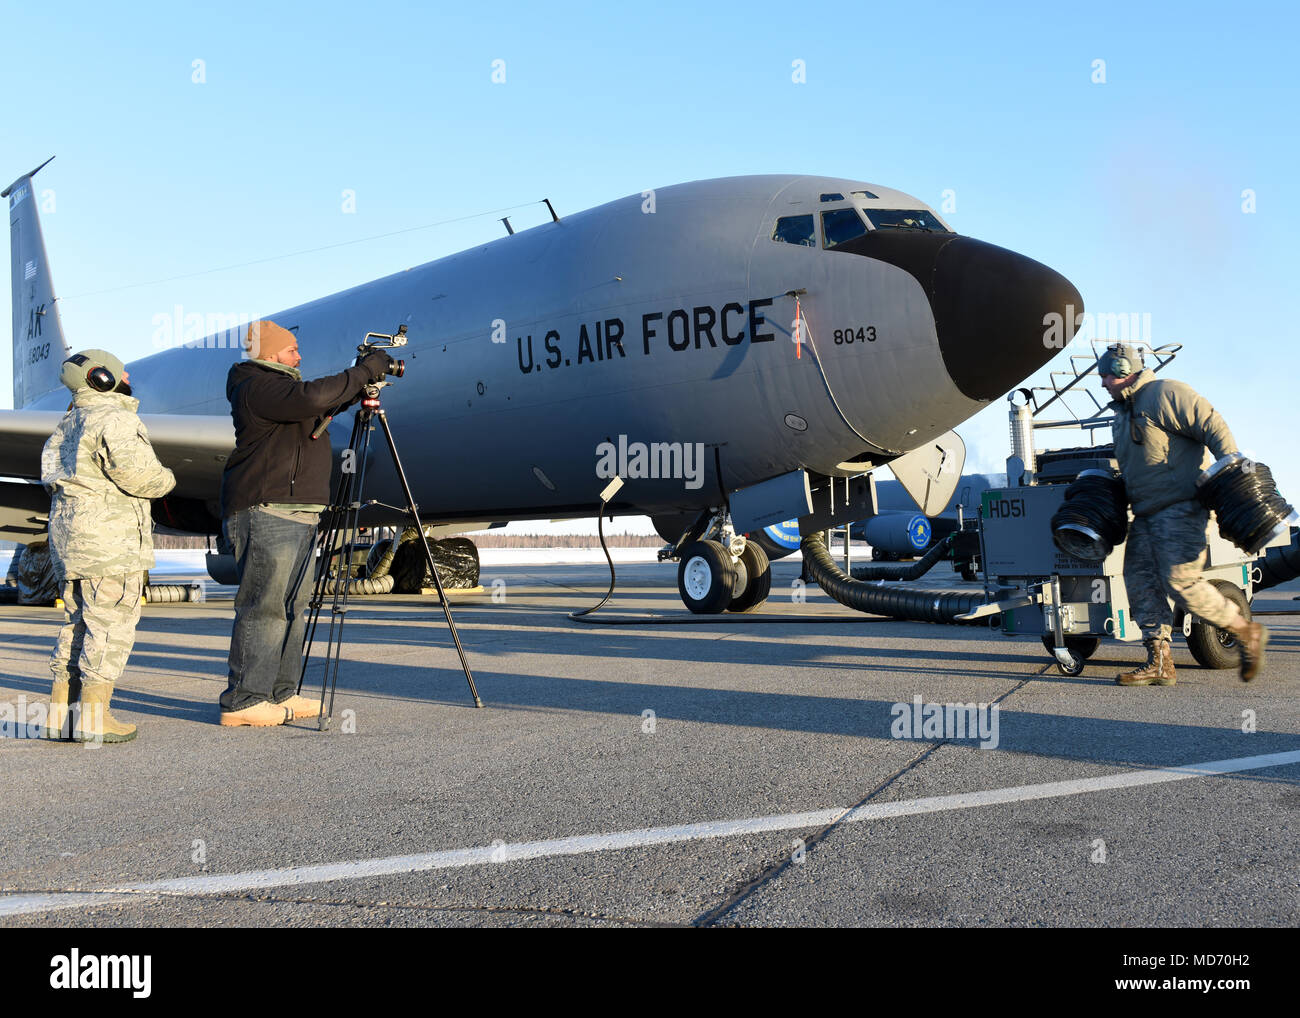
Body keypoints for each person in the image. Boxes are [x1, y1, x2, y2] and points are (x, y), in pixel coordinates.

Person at [219, 320, 394, 726]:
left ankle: (281, 692)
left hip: (298, 512)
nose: (299, 356)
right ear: (272, 353)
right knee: (264, 608)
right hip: (268, 511)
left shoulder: (283, 392)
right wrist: (363, 370)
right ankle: (243, 700)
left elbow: (319, 404)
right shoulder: (255, 384)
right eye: (292, 349)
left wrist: (357, 385)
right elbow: (313, 396)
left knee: (294, 607)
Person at [1100, 343, 1268, 685]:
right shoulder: (1121, 415)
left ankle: (1246, 631)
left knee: (1181, 582)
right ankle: (1160, 662)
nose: (1102, 383)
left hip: (1181, 507)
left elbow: (1212, 424)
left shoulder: (1165, 393)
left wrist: (1231, 473)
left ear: (1122, 370)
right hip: (1145, 514)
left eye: (1105, 375)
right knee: (1140, 583)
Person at [42, 349, 177, 743]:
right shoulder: (115, 418)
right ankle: (94, 718)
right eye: (120, 370)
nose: (127, 374)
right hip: (109, 543)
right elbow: (141, 477)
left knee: (78, 623)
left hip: (71, 542)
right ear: (102, 378)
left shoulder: (67, 422)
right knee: (111, 625)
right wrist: (168, 477)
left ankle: (61, 714)